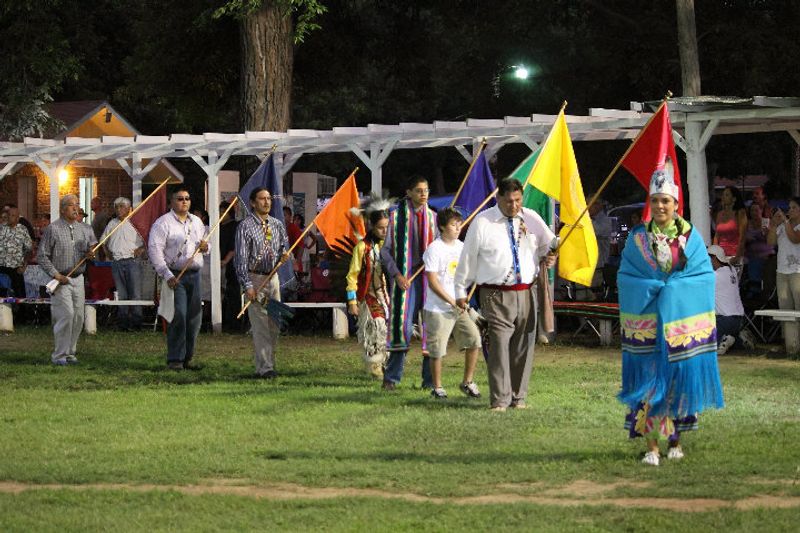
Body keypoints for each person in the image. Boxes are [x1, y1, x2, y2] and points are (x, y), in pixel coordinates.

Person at [617, 168, 724, 466]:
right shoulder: (637, 240)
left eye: (665, 201)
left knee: (677, 386)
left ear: (676, 204)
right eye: (655, 201)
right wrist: (653, 286)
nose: (660, 206)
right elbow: (627, 276)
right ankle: (652, 448)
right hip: (649, 323)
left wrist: (673, 289)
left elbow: (703, 277)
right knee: (650, 385)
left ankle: (675, 441)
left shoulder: (691, 238)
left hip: (679, 323)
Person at [454, 178, 557, 411]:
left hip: (527, 291)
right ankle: (500, 399)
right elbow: (468, 257)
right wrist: (461, 289)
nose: (514, 205)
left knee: (523, 345)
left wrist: (550, 255)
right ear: (498, 198)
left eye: (518, 200)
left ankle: (518, 398)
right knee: (499, 345)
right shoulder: (483, 222)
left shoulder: (531, 218)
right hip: (495, 294)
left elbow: (548, 244)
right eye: (509, 201)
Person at [380, 175, 438, 390]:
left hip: (428, 280)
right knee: (401, 326)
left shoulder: (434, 219)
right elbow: (385, 252)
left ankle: (430, 380)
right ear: (409, 192)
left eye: (426, 190)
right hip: (405, 280)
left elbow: (440, 249)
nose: (423, 194)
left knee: (430, 328)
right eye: (419, 190)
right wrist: (397, 275)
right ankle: (391, 378)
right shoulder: (396, 218)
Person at [423, 208, 482, 400]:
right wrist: (451, 300)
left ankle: (467, 382)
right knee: (437, 349)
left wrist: (464, 294)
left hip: (459, 307)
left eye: (459, 224)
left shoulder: (461, 247)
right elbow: (432, 282)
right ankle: (437, 387)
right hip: (438, 309)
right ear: (442, 226)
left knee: (474, 339)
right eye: (453, 224)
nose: (458, 227)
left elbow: (468, 273)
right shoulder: (434, 249)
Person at [148, 189, 209, 371]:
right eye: (180, 199)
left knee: (194, 318)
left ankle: (187, 357)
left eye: (187, 199)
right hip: (175, 274)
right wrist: (167, 275)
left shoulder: (197, 221)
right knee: (179, 316)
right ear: (171, 202)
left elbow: (207, 244)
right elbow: (155, 250)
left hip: (194, 274)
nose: (184, 202)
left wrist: (206, 247)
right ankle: (175, 359)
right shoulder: (163, 223)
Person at [235, 188, 290, 379]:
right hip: (255, 278)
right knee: (260, 325)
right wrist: (247, 285)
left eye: (268, 199)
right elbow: (240, 260)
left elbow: (284, 244)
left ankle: (268, 363)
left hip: (272, 278)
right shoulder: (245, 226)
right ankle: (265, 368)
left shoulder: (276, 224)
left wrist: (284, 254)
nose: (266, 202)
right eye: (262, 199)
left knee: (275, 323)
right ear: (252, 202)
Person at [37, 194, 97, 365]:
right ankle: (59, 355)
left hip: (78, 278)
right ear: (63, 209)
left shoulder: (84, 229)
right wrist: (56, 275)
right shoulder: (53, 229)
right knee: (66, 315)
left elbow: (91, 250)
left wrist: (90, 253)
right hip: (60, 279)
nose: (75, 208)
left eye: (77, 204)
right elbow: (42, 255)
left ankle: (70, 352)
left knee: (78, 316)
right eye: (71, 205)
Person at [346, 199, 391, 379]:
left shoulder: (389, 246)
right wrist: (352, 301)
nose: (384, 231)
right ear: (372, 227)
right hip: (369, 295)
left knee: (388, 327)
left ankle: (385, 363)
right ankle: (374, 365)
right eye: (381, 228)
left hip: (386, 295)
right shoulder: (362, 248)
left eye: (387, 227)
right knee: (377, 325)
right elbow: (352, 275)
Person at [101, 197, 144, 331]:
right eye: (117, 207)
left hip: (132, 261)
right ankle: (123, 323)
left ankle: (136, 323)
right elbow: (103, 241)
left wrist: (141, 249)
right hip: (117, 261)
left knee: (135, 293)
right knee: (121, 293)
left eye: (121, 206)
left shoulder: (135, 222)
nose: (118, 209)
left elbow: (147, 239)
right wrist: (108, 254)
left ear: (128, 208)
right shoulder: (112, 223)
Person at [767, 197, 800, 353]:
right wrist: (774, 224)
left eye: (793, 207)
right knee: (785, 309)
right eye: (789, 207)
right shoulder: (782, 226)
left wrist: (785, 221)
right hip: (782, 271)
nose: (790, 210)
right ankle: (788, 343)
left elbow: (794, 239)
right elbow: (770, 242)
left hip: (797, 272)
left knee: (798, 308)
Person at [708, 244, 755, 354]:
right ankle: (737, 339)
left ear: (714, 258)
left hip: (724, 320)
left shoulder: (715, 276)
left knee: (704, 345)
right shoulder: (732, 270)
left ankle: (725, 340)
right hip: (738, 320)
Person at [0, 206, 33, 298]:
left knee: (20, 297)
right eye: (9, 215)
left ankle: (21, 312)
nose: (9, 217)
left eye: (13, 215)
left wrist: (24, 265)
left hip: (16, 269)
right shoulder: (1, 228)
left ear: (18, 218)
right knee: (2, 298)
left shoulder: (23, 230)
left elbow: (29, 249)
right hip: (1, 268)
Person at [743, 202, 774, 298]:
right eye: (752, 210)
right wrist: (746, 239)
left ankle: (755, 289)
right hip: (750, 254)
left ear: (761, 210)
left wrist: (767, 233)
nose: (754, 212)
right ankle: (753, 288)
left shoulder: (767, 222)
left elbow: (772, 240)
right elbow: (741, 239)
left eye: (756, 210)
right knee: (750, 261)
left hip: (766, 254)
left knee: (756, 262)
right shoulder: (747, 223)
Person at [219, 200, 241, 331]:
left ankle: (235, 323)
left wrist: (225, 261)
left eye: (223, 212)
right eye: (220, 212)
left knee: (233, 294)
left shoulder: (235, 226)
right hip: (220, 265)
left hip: (232, 266)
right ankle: (224, 320)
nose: (221, 214)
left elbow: (234, 247)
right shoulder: (219, 227)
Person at [712, 186, 747, 262]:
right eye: (723, 195)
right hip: (720, 256)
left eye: (727, 195)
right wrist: (715, 253)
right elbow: (716, 236)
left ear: (734, 199)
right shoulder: (720, 214)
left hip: (734, 255)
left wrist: (737, 256)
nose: (723, 197)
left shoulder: (740, 213)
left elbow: (742, 237)